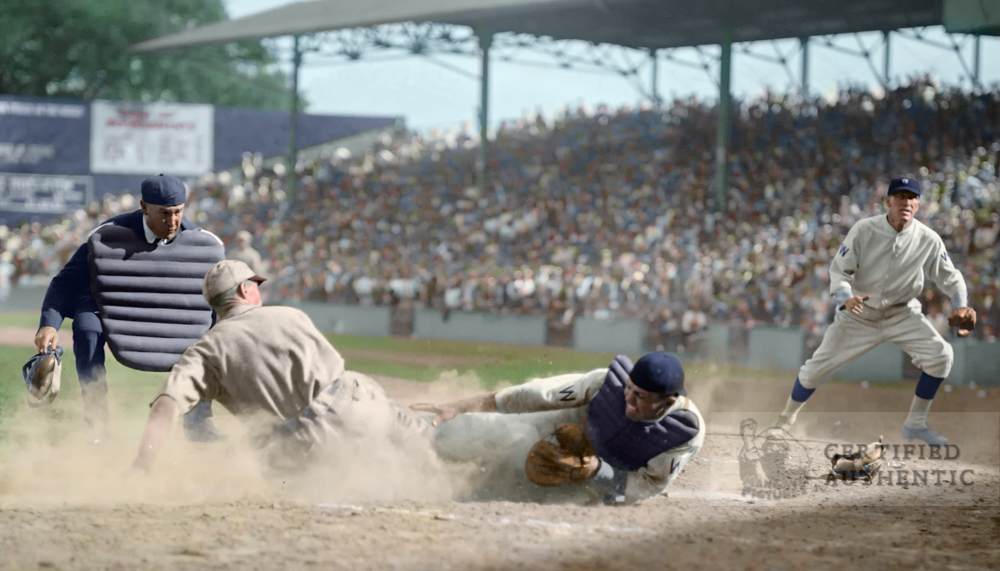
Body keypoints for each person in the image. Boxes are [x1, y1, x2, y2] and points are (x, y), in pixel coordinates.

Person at [131, 260, 433, 478]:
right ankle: (453, 457)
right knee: (420, 436)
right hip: (359, 410)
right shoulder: (291, 315)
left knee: (251, 453)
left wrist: (142, 464)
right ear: (245, 289)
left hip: (302, 449)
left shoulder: (204, 351)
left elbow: (165, 405)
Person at [772, 177, 977, 446]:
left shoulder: (928, 238)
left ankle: (915, 425)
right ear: (887, 201)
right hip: (859, 313)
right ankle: (784, 421)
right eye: (900, 196)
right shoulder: (864, 230)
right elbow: (839, 271)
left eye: (911, 197)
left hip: (902, 313)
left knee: (941, 356)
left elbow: (951, 277)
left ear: (917, 205)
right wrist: (846, 298)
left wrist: (961, 304)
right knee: (814, 371)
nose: (906, 202)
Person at [34, 174, 225, 445]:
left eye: (178, 213)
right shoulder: (107, 236)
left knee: (213, 333)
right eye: (164, 213)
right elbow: (65, 283)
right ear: (144, 206)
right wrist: (49, 324)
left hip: (168, 310)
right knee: (86, 325)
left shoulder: (200, 243)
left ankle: (199, 421)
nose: (172, 222)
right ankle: (96, 423)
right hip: (112, 306)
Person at [411, 351, 704, 504]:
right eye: (629, 388)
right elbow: (536, 395)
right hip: (563, 424)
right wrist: (461, 406)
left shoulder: (683, 432)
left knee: (512, 483)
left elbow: (651, 484)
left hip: (601, 476)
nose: (628, 397)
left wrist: (598, 474)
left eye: (640, 396)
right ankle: (409, 429)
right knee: (490, 432)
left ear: (668, 401)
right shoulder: (605, 383)